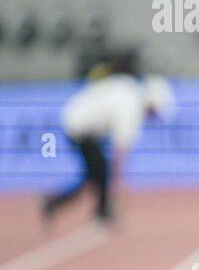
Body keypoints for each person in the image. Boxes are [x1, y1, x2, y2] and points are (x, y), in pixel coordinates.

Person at [41, 74, 175, 225]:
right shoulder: (131, 107)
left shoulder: (129, 91)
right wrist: (118, 190)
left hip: (81, 122)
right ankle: (100, 211)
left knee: (96, 174)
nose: (153, 117)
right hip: (80, 127)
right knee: (100, 172)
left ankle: (59, 204)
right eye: (154, 111)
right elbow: (120, 154)